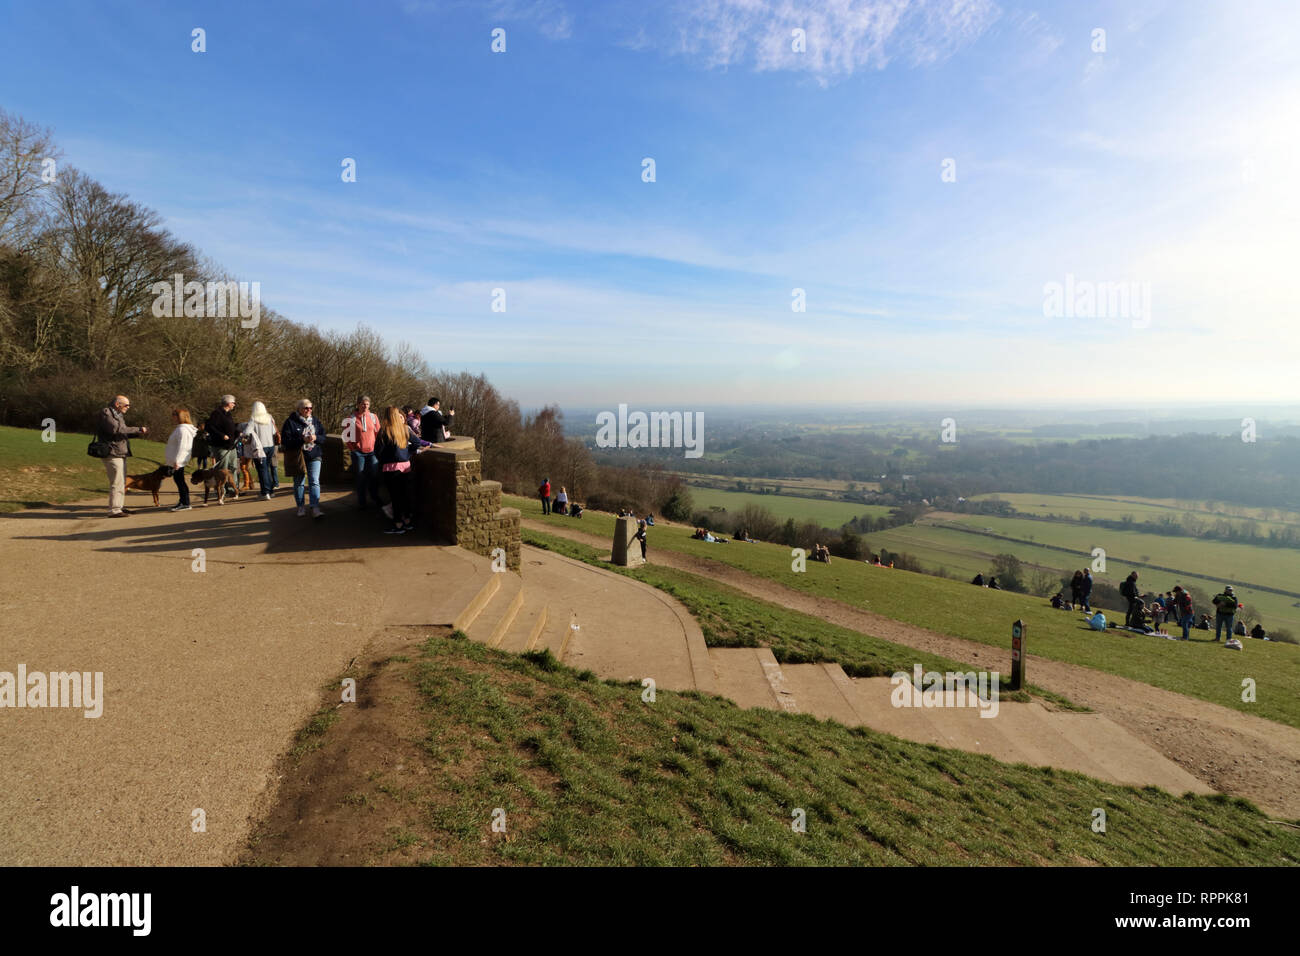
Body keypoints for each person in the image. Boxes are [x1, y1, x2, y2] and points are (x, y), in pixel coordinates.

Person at [375, 405, 423, 534]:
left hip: (391, 468)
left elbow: (378, 451)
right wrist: (407, 453)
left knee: (395, 498)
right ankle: (407, 521)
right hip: (405, 466)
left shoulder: (384, 431)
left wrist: (384, 459)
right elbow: (417, 443)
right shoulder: (404, 429)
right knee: (405, 495)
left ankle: (398, 525)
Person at [96, 395, 147, 517]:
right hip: (112, 453)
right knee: (117, 482)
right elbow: (116, 429)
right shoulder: (106, 412)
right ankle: (114, 510)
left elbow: (122, 432)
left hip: (120, 452)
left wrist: (137, 433)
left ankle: (119, 507)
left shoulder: (118, 415)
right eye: (126, 405)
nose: (128, 407)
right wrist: (137, 429)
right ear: (117, 404)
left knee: (121, 481)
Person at [281, 399, 325, 519]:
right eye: (306, 408)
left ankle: (315, 507)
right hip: (298, 456)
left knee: (314, 481)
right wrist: (302, 440)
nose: (309, 410)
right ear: (299, 409)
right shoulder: (290, 422)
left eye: (310, 408)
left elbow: (323, 437)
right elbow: (286, 441)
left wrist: (316, 437)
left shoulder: (315, 421)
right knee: (299, 482)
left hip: (314, 454)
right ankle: (300, 506)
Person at [344, 396, 381, 510]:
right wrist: (353, 449)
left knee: (374, 475)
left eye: (367, 404)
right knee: (361, 477)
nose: (365, 406)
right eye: (363, 404)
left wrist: (377, 448)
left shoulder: (373, 417)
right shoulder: (351, 418)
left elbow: (378, 434)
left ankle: (375, 498)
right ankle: (362, 501)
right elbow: (346, 437)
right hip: (358, 453)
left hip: (372, 452)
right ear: (358, 404)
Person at [204, 395, 240, 497]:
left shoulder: (229, 414)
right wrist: (221, 435)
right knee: (222, 469)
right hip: (221, 446)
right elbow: (210, 427)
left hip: (231, 446)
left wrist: (238, 433)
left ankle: (233, 489)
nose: (234, 404)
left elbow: (231, 428)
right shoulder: (216, 414)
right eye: (233, 402)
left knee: (233, 468)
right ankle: (221, 490)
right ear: (228, 403)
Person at [243, 401, 279, 500]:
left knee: (262, 470)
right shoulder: (269, 417)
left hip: (260, 447)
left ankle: (265, 492)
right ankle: (270, 491)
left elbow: (247, 432)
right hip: (270, 446)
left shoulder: (253, 418)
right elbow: (273, 431)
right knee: (266, 469)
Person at [164, 408, 197, 511]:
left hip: (178, 461)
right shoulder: (180, 429)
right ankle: (183, 501)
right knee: (178, 480)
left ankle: (186, 503)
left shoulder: (183, 430)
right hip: (175, 460)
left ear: (179, 416)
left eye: (174, 415)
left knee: (180, 481)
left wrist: (178, 461)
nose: (172, 417)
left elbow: (184, 447)